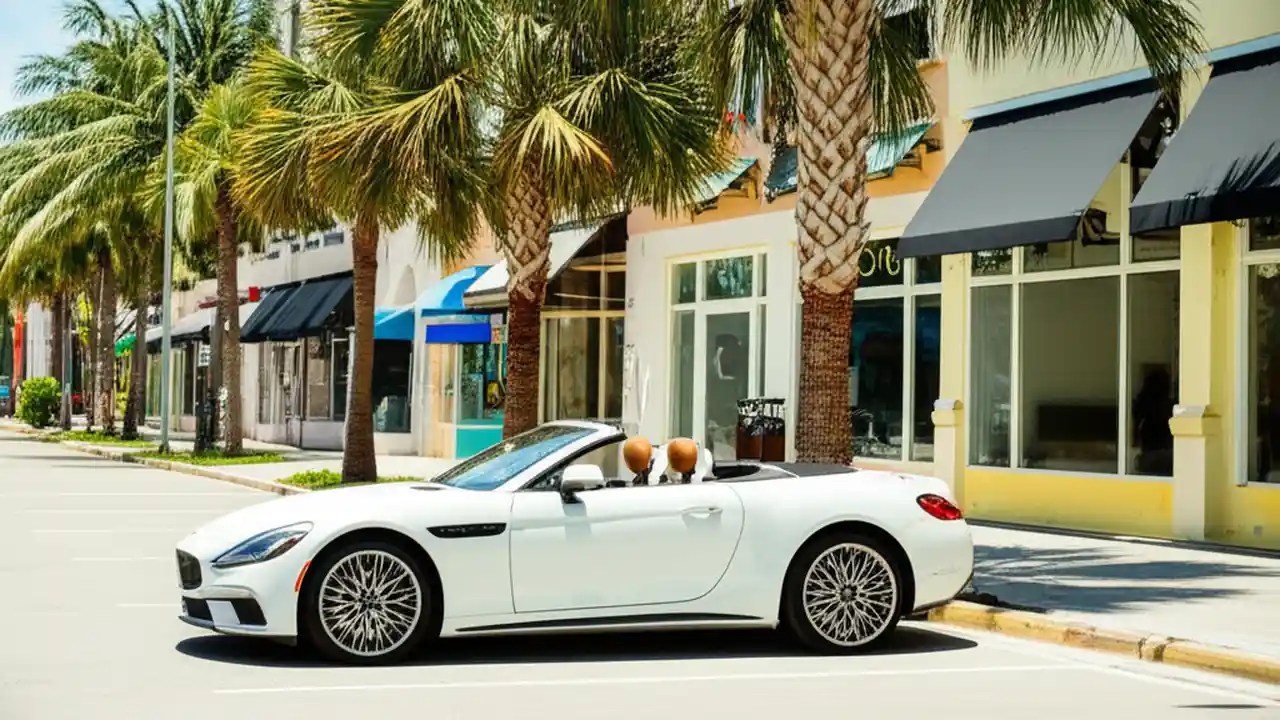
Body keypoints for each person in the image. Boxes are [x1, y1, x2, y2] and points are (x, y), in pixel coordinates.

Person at [1133, 367, 1175, 476]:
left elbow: (1136, 420)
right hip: (1159, 441)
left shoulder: (1144, 400)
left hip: (1153, 441)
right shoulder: (1166, 403)